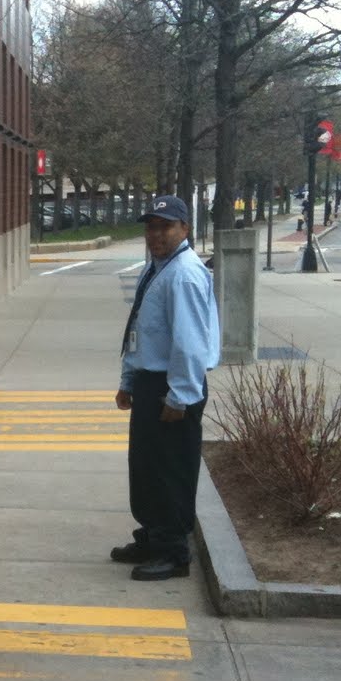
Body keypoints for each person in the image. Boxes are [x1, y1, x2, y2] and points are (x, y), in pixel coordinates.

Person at [111, 195, 221, 580]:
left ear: (185, 229)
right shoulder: (159, 267)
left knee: (170, 470)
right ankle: (154, 536)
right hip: (150, 381)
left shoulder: (185, 274)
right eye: (151, 227)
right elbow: (143, 329)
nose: (155, 234)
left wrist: (181, 396)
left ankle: (174, 552)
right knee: (145, 469)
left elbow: (189, 343)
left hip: (173, 386)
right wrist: (130, 380)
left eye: (165, 226)